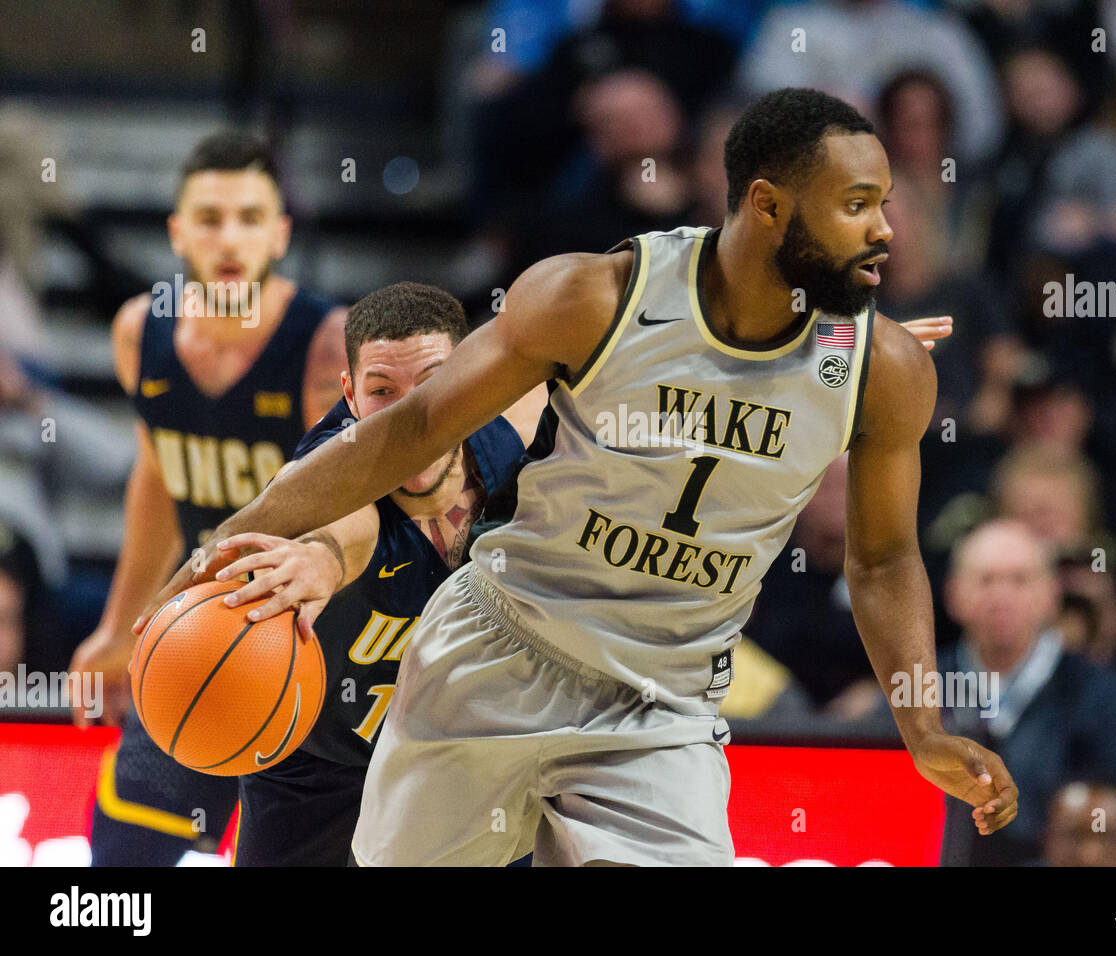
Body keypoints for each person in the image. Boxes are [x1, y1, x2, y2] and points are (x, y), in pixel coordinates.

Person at [141, 89, 1019, 867]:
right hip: (500, 651)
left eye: (885, 205)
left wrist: (922, 728)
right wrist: (239, 530)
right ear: (767, 205)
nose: (885, 231)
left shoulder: (883, 368)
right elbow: (409, 429)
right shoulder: (596, 298)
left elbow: (883, 559)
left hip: (662, 700)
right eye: (857, 206)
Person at [70, 131, 348, 865]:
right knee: (121, 864)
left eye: (252, 217)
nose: (230, 237)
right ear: (177, 230)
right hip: (198, 633)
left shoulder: (324, 344)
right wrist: (118, 625)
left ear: (281, 232)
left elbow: (359, 505)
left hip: (313, 641)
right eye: (212, 216)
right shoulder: (141, 330)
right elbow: (158, 481)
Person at [207, 283, 536, 865]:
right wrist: (321, 561)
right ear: (350, 397)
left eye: (433, 384)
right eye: (384, 392)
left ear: (469, 377)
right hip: (317, 770)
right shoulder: (316, 480)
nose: (412, 417)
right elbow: (344, 526)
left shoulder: (520, 436)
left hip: (464, 761)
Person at [937, 519, 1116, 867]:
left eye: (1019, 580)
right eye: (985, 580)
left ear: (1051, 595)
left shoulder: (1107, 694)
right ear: (953, 595)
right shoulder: (921, 686)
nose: (1001, 596)